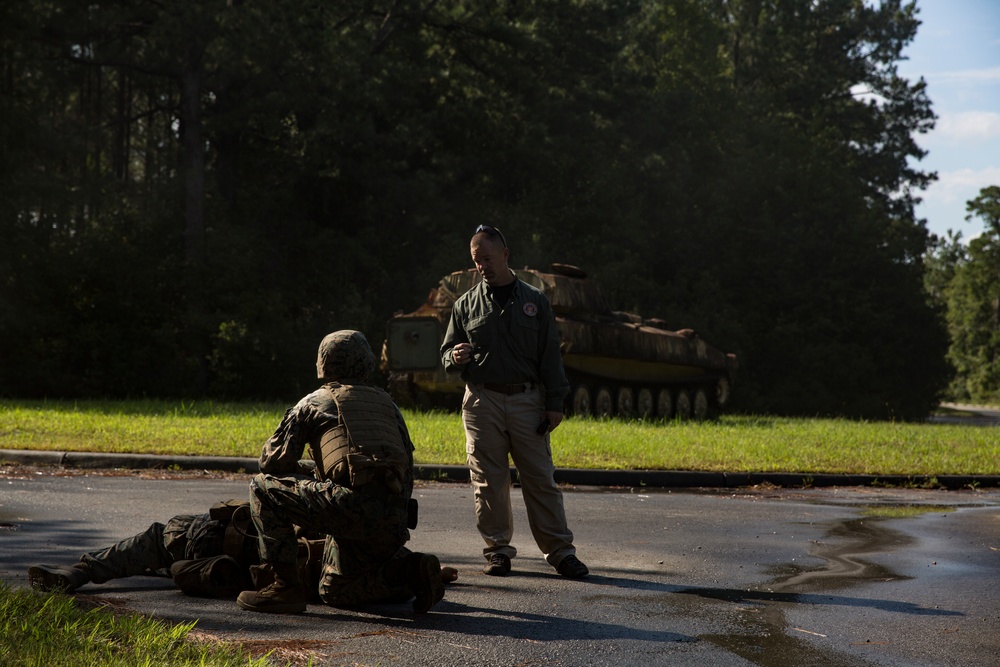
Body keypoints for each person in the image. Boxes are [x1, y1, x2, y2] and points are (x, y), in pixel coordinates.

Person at [235, 330, 446, 614]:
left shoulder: (315, 402)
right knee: (335, 591)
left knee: (262, 487)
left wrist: (310, 474)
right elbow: (407, 464)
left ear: (324, 363)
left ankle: (285, 587)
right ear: (367, 363)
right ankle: (408, 570)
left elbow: (271, 464)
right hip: (394, 519)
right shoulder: (388, 405)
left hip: (350, 510)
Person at [439, 225, 589, 579]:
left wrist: (555, 403)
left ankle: (560, 552)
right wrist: (454, 356)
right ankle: (497, 551)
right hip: (481, 399)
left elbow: (550, 356)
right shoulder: (465, 305)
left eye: (488, 259)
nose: (482, 267)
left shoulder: (534, 301)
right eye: (477, 261)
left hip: (527, 399)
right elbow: (446, 353)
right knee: (488, 481)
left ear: (505, 255)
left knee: (539, 478)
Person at [27, 500, 458, 598]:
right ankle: (83, 571)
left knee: (161, 539)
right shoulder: (352, 560)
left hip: (222, 542)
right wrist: (426, 574)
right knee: (167, 559)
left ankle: (81, 571)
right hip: (282, 560)